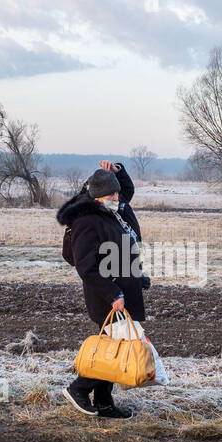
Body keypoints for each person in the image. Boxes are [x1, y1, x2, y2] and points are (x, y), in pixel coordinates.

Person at [56, 160, 146, 419]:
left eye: (116, 192)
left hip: (123, 287)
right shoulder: (88, 221)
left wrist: (119, 172)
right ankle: (78, 389)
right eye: (110, 193)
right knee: (114, 346)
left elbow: (126, 192)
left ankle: (104, 403)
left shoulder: (114, 210)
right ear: (95, 197)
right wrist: (113, 294)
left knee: (114, 348)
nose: (116, 197)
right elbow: (86, 267)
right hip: (106, 294)